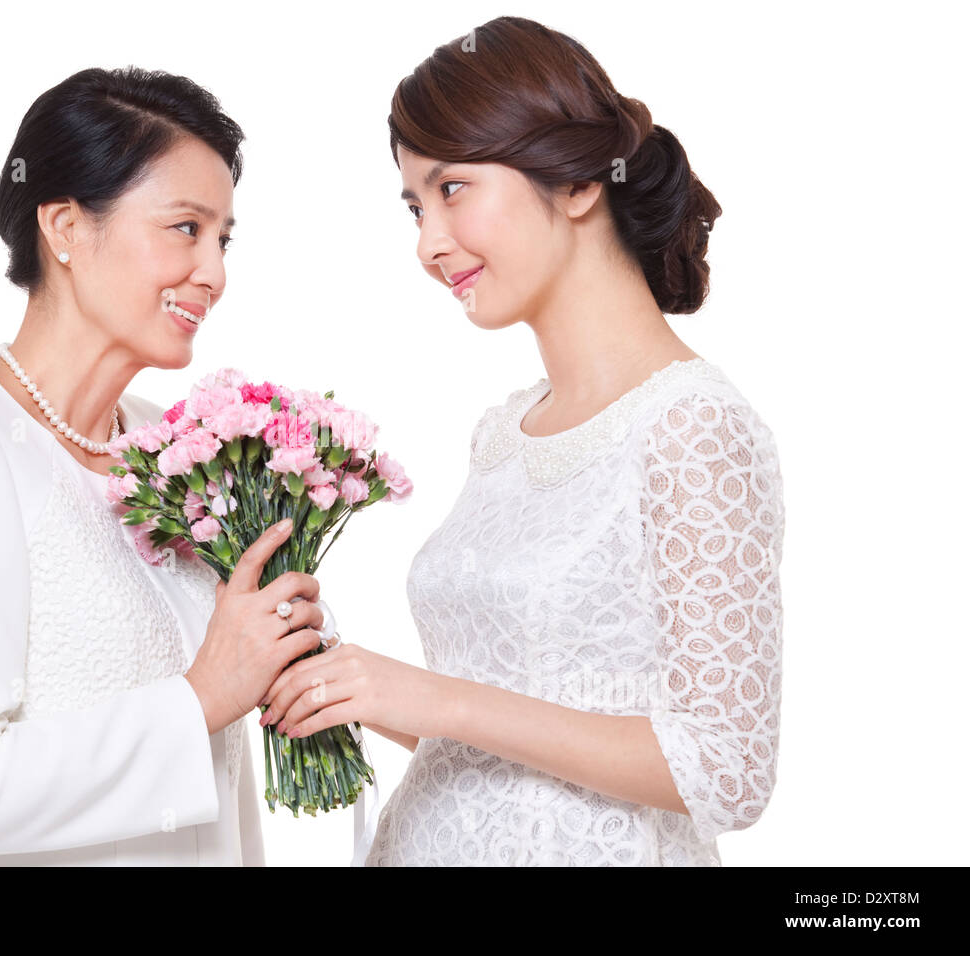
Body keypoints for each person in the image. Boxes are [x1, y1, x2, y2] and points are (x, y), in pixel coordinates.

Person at [258, 16, 787, 866]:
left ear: (578, 184)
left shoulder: (693, 427)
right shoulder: (502, 433)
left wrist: (436, 699)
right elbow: (490, 732)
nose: (429, 243)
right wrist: (343, 678)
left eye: (453, 189)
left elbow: (727, 769)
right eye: (414, 206)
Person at [0, 66, 326, 866]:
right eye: (185, 228)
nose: (213, 272)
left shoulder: (175, 449)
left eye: (224, 238)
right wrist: (201, 699)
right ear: (67, 228)